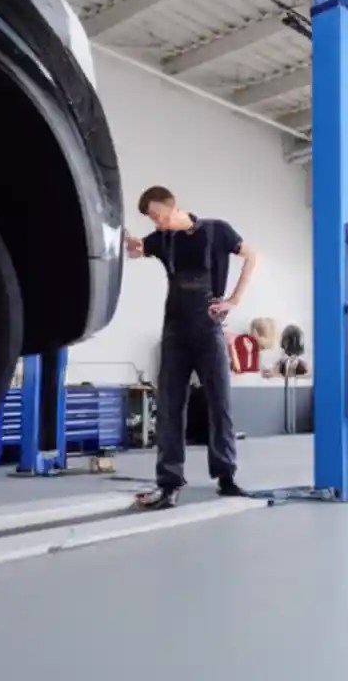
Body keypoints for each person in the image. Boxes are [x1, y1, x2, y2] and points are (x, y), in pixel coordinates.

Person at [125, 186, 258, 508]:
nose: (157, 223)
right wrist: (130, 244)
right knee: (170, 407)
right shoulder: (162, 239)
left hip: (209, 330)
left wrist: (234, 300)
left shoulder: (217, 231)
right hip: (174, 331)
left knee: (219, 404)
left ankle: (226, 476)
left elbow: (252, 255)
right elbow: (137, 250)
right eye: (151, 219)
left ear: (173, 207)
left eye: (158, 216)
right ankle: (169, 482)